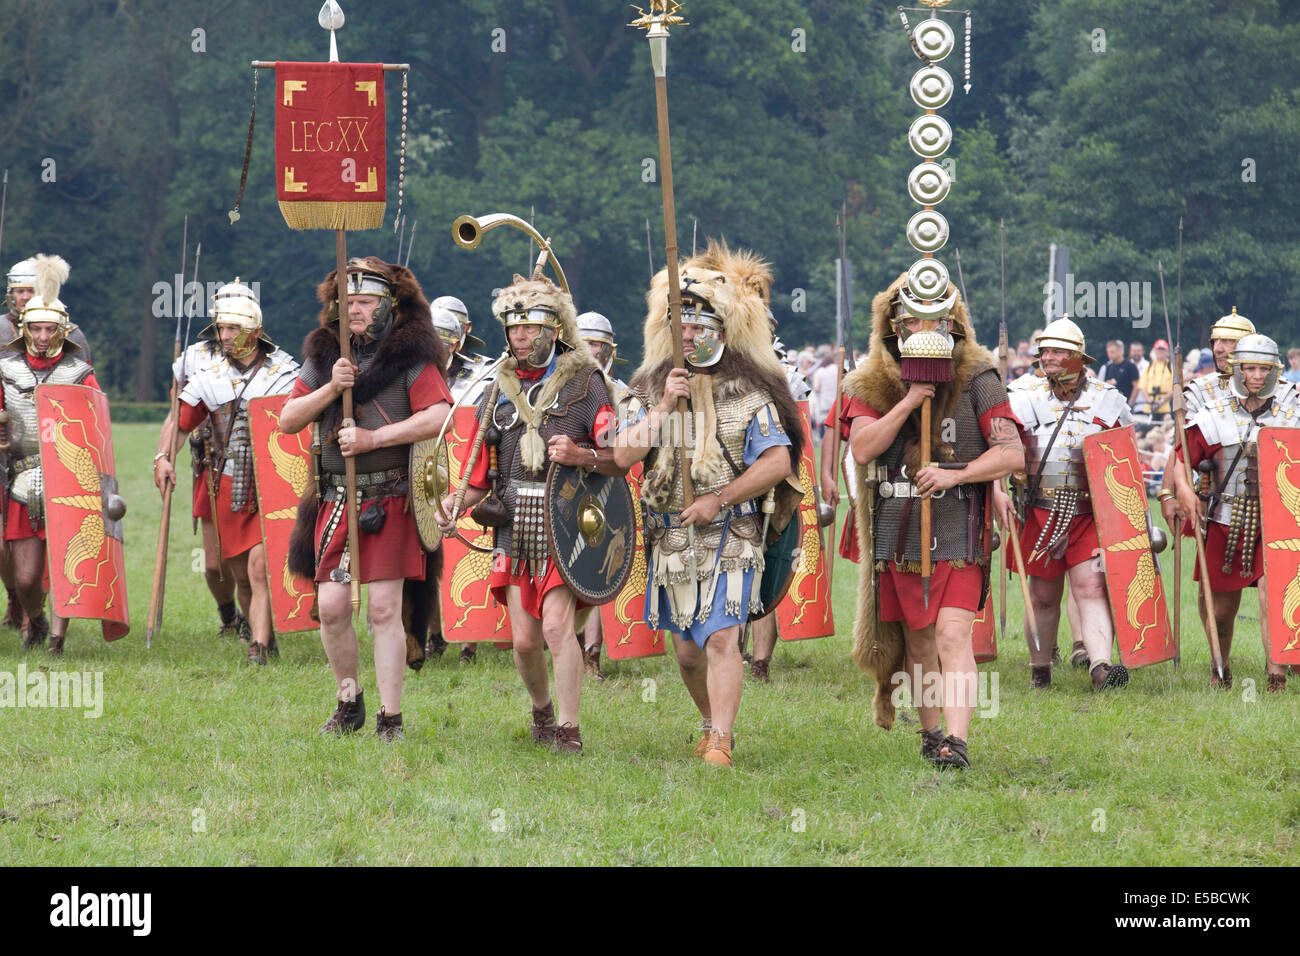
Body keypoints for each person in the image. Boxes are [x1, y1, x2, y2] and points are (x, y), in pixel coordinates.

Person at [616, 241, 801, 768]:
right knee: (687, 650)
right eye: (681, 326)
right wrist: (665, 404)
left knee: (722, 636)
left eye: (699, 325)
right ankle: (706, 719)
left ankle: (722, 737)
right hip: (670, 536)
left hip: (733, 535)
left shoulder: (750, 392)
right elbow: (623, 453)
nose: (690, 335)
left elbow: (777, 464)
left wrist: (720, 499)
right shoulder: (648, 388)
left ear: (721, 330)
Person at [439, 268, 620, 754]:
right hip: (514, 526)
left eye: (532, 326)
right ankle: (541, 710)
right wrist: (451, 507)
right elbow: (479, 472)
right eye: (514, 327)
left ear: (553, 329)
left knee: (558, 627)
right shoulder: (496, 390)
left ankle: (569, 729)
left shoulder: (586, 383)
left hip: (569, 519)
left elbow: (616, 455)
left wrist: (582, 454)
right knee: (523, 642)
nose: (521, 336)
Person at [845, 272, 1021, 769]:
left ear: (953, 325)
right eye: (914, 320)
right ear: (894, 329)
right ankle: (931, 734)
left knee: (951, 635)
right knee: (920, 640)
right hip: (900, 531)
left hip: (958, 525)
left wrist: (956, 474)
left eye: (936, 320)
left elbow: (1011, 454)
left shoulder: (978, 377)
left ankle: (957, 743)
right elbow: (862, 449)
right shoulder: (869, 382)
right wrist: (908, 401)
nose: (925, 329)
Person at [281, 257, 452, 741]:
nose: (354, 309)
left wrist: (376, 440)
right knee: (333, 607)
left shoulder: (412, 354)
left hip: (390, 497)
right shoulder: (324, 354)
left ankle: (390, 717)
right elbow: (288, 419)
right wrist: (332, 388)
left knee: (382, 609)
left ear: (388, 304)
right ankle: (349, 700)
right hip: (336, 501)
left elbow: (440, 416)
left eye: (365, 301)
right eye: (347, 301)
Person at [160, 280, 299, 664]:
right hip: (225, 483)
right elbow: (181, 421)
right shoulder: (209, 375)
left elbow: (304, 426)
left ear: (254, 331)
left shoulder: (286, 372)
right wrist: (163, 457)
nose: (223, 336)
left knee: (260, 567)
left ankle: (258, 645)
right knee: (239, 573)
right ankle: (263, 635)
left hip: (272, 483)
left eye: (232, 329)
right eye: (221, 328)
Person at [993, 317, 1134, 692]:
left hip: (1089, 513)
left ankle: (1101, 667)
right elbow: (999, 449)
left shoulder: (1108, 400)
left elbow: (1125, 460)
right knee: (1042, 596)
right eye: (1045, 351)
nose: (1048, 358)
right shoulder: (1021, 396)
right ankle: (1040, 668)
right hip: (1039, 510)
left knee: (1092, 587)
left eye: (1057, 351)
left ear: (1078, 358)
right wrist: (997, 489)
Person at [1165, 334, 1297, 692]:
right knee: (1221, 610)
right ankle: (1219, 668)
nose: (1256, 375)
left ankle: (1276, 673)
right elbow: (1181, 457)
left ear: (1274, 371)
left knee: (1276, 595)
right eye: (1250, 368)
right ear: (1237, 370)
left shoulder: (1293, 412)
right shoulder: (1214, 413)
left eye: (1263, 369)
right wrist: (1185, 491)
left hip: (1279, 521)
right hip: (1225, 519)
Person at [0, 255, 100, 653]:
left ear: (61, 330)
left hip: (67, 478)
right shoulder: (6, 370)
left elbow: (96, 431)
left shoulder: (79, 374)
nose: (42, 336)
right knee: (26, 579)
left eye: (49, 329)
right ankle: (35, 619)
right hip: (21, 478)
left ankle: (57, 638)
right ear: (24, 330)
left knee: (63, 567)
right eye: (35, 329)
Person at [572, 309, 627, 681]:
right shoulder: (563, 388)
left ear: (609, 349)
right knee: (571, 568)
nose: (591, 351)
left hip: (610, 485)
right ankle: (573, 647)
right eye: (584, 343)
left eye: (597, 344)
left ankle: (592, 653)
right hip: (568, 487)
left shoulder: (622, 393)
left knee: (599, 571)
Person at [1134, 339, 1174, 419]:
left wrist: (1161, 401)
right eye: (1158, 349)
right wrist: (1150, 402)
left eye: (1163, 349)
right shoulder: (1149, 367)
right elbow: (1142, 387)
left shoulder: (1172, 367)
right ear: (1154, 351)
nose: (1160, 351)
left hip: (1167, 408)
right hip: (1149, 408)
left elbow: (1175, 387)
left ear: (1167, 351)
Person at [1097, 339, 1139, 404]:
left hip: (1125, 404)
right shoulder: (1107, 367)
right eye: (1108, 352)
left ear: (1120, 351)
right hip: (1109, 404)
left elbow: (1136, 386)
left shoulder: (1130, 366)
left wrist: (1130, 403)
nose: (1109, 355)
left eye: (1112, 352)